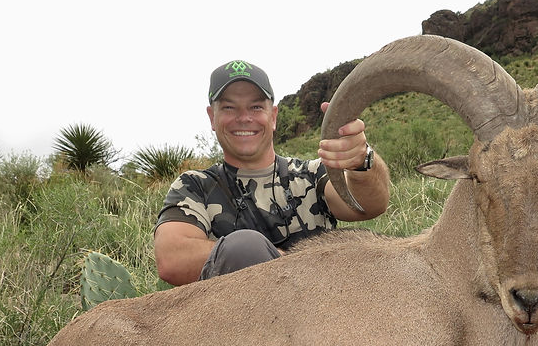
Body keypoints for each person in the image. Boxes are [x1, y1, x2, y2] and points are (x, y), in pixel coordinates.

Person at [154, 60, 391, 285]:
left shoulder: (313, 173)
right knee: (243, 247)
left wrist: (361, 160)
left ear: (274, 116)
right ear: (212, 117)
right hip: (239, 322)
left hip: (324, 319)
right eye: (229, 107)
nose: (244, 118)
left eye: (256, 107)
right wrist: (277, 261)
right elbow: (171, 258)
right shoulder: (194, 187)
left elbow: (369, 205)